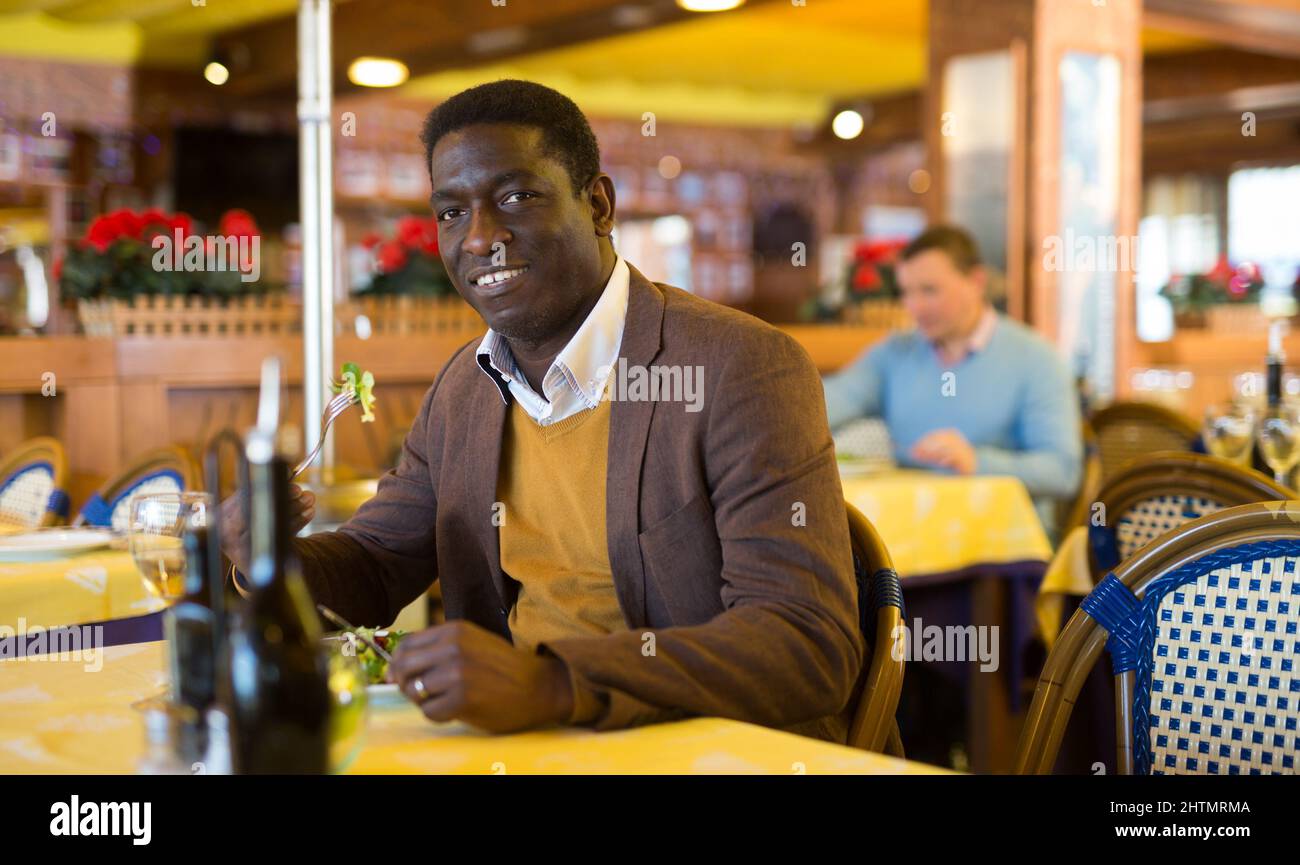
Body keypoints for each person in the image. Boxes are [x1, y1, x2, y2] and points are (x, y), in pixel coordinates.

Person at [221, 80, 862, 742]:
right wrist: (271, 561)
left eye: (516, 197)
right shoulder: (463, 389)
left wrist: (555, 683)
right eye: (451, 212)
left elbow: (806, 642)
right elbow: (378, 564)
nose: (479, 239)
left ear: (598, 204)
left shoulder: (738, 366)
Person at [822, 225, 1082, 532]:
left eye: (929, 290)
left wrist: (976, 462)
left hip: (1003, 554)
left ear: (976, 281)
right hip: (908, 533)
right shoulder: (895, 352)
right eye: (906, 292)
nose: (914, 307)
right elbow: (826, 404)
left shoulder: (1035, 358)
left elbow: (1063, 472)